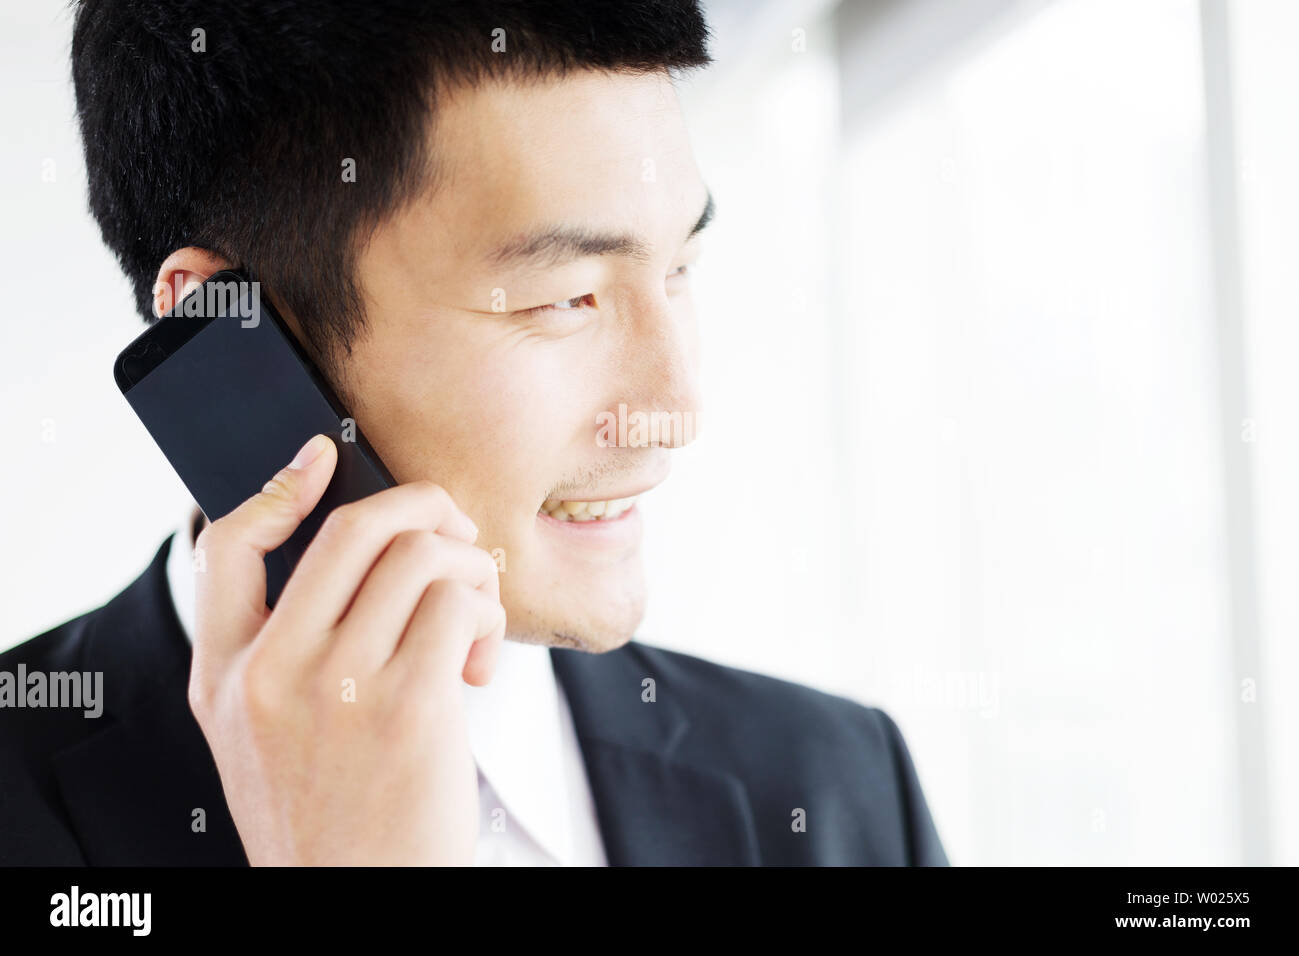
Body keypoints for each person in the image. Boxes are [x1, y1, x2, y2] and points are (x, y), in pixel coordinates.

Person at [0, 0, 947, 866]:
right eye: (565, 298)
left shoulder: (838, 788)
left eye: (680, 270)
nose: (675, 409)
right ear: (226, 318)